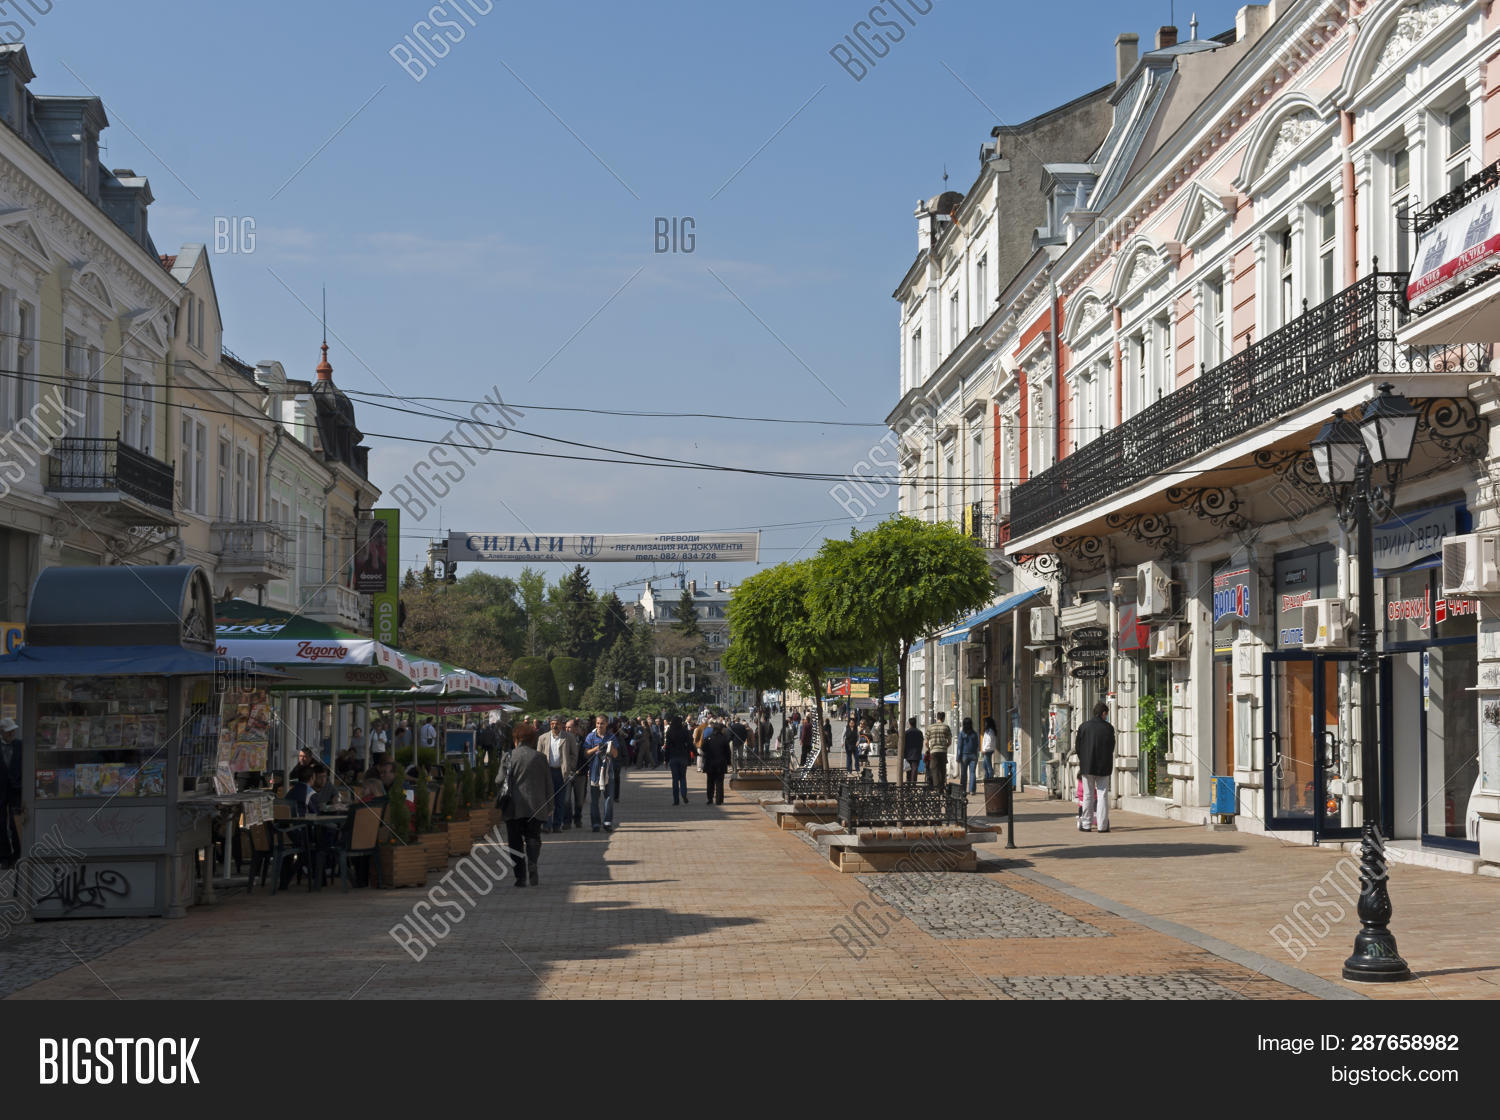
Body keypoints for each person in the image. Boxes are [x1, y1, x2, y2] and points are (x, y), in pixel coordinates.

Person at [499, 722, 553, 886]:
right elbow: (548, 783)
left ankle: (520, 877)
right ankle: (533, 863)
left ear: (516, 739)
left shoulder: (508, 756)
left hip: (513, 807)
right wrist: (550, 806)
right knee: (533, 837)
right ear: (531, 740)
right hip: (536, 806)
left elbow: (499, 780)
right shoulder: (540, 758)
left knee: (515, 842)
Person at [1074, 700, 1116, 833]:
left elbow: (1078, 747)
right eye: (1106, 714)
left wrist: (1084, 760)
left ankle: (1086, 824)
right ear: (1103, 713)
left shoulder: (1083, 726)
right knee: (1102, 794)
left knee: (1087, 795)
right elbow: (1111, 747)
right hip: (1103, 766)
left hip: (1087, 766)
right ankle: (1102, 826)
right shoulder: (1108, 728)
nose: (1106, 716)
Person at [538, 715, 577, 833]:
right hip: (547, 772)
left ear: (562, 725)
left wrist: (569, 767)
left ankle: (557, 825)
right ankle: (547, 825)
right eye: (552, 724)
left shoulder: (569, 737)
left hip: (561, 773)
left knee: (561, 801)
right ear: (550, 724)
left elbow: (574, 755)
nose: (554, 726)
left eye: (557, 724)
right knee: (547, 800)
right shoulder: (542, 738)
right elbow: (538, 756)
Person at [583, 715, 619, 831]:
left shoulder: (611, 736)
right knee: (594, 800)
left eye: (602, 723)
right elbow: (586, 753)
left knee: (608, 798)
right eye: (598, 723)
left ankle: (607, 822)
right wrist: (596, 749)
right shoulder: (590, 736)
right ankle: (595, 824)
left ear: (606, 724)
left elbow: (615, 755)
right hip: (594, 771)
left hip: (609, 772)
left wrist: (610, 747)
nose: (599, 726)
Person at [0, 717, 22, 866]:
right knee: (0, 824)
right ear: (1, 732)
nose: (11, 734)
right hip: (0, 790)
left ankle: (17, 855)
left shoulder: (20, 745)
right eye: (8, 732)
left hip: (16, 789)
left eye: (13, 731)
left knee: (16, 824)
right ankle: (4, 856)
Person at [701, 719, 732, 805]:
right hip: (721, 763)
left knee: (710, 782)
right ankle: (719, 799)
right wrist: (729, 761)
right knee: (719, 782)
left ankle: (710, 798)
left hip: (710, 762)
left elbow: (703, 748)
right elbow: (728, 752)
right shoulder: (724, 739)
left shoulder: (708, 738)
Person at [565, 718, 589, 828]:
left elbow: (586, 757)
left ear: (575, 728)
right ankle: (567, 821)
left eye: (569, 727)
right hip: (567, 774)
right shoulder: (562, 740)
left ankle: (578, 818)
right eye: (566, 727)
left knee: (579, 800)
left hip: (580, 774)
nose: (567, 729)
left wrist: (582, 769)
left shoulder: (584, 741)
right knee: (566, 800)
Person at [664, 715, 692, 805]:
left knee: (675, 779)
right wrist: (695, 753)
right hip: (683, 756)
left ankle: (676, 800)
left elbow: (667, 747)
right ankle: (684, 793)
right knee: (683, 777)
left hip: (673, 757)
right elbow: (690, 744)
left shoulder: (670, 732)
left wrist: (666, 759)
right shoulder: (685, 731)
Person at [924, 712, 952, 789]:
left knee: (934, 769)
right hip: (943, 751)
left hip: (933, 751)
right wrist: (945, 747)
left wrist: (930, 749)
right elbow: (950, 741)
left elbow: (926, 742)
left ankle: (937, 788)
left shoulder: (930, 727)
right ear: (943, 718)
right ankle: (942, 786)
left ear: (937, 718)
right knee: (942, 769)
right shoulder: (946, 727)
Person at [957, 717, 981, 794]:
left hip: (964, 755)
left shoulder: (962, 734)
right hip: (973, 755)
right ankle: (972, 790)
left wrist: (958, 757)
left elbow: (959, 746)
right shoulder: (975, 734)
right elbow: (977, 745)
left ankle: (963, 790)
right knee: (972, 773)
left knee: (963, 774)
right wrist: (977, 755)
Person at [902, 718, 923, 784]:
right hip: (916, 753)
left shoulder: (906, 732)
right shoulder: (919, 732)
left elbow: (903, 743)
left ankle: (908, 782)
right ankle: (913, 783)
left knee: (908, 769)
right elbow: (921, 743)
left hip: (908, 753)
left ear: (909, 723)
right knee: (914, 769)